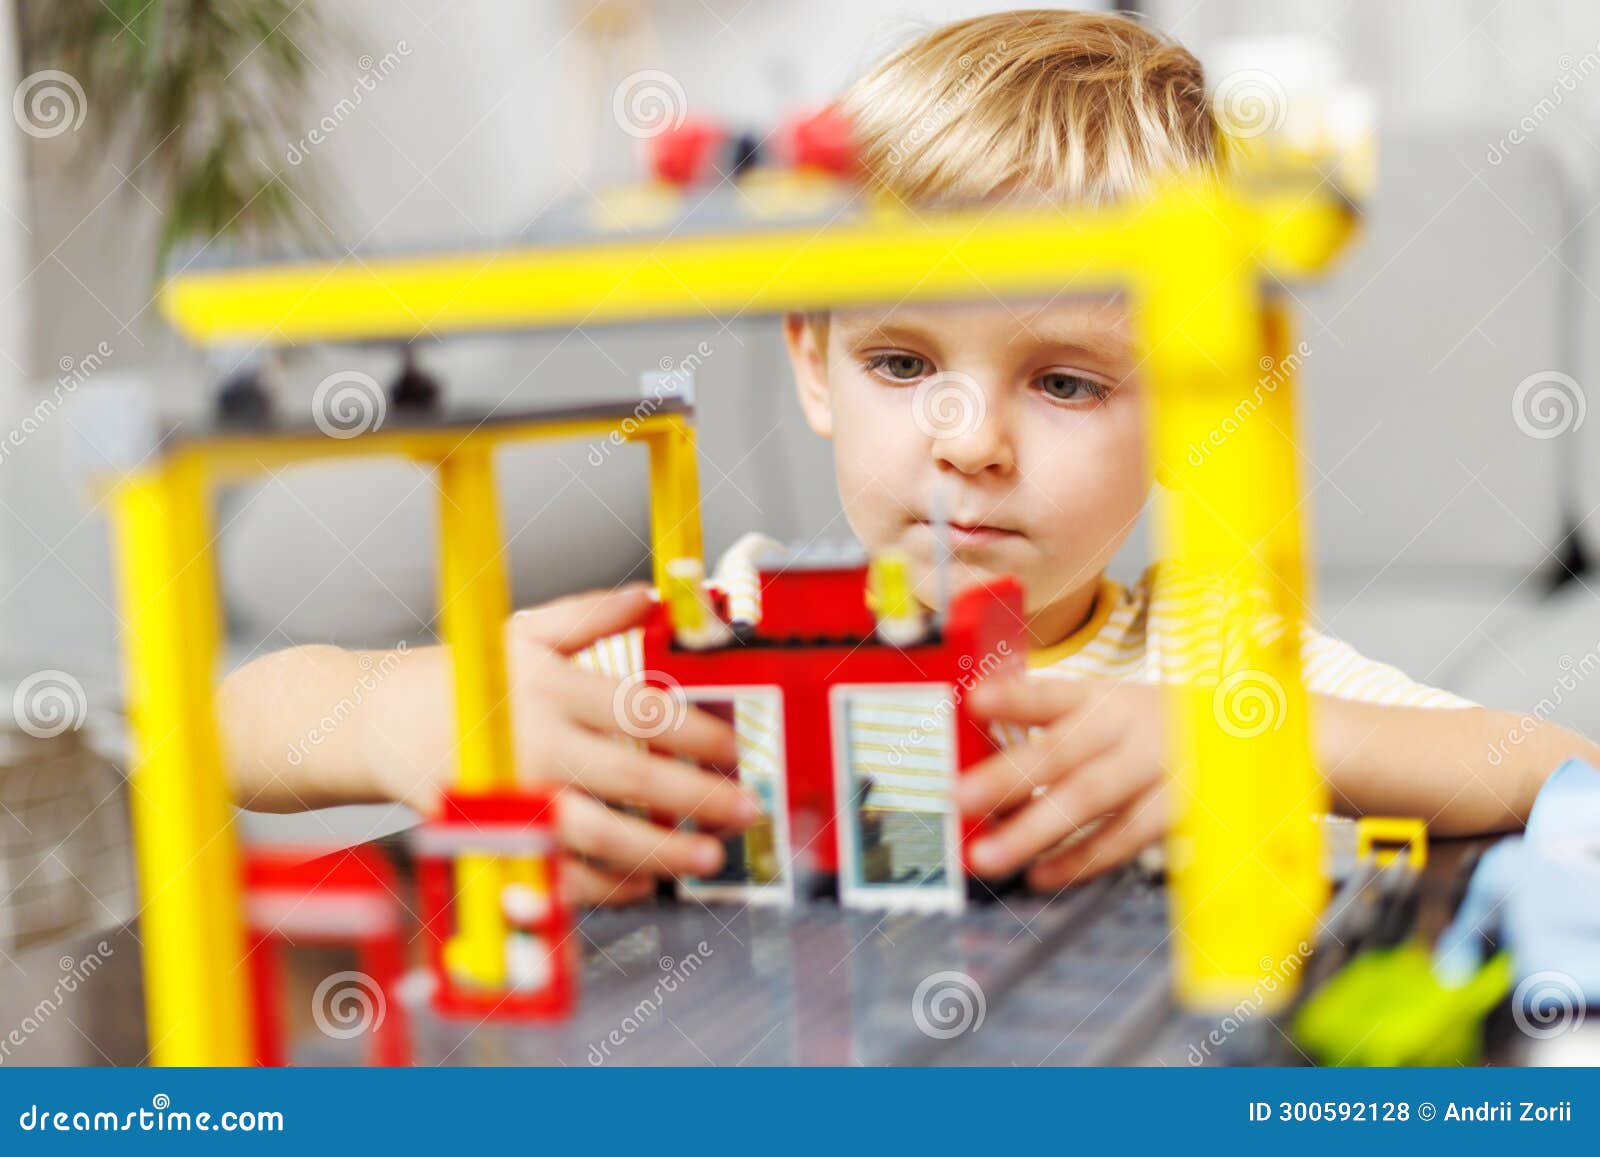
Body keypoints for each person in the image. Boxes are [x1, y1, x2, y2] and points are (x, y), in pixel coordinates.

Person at [220, 9, 1600, 903]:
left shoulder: (1214, 661)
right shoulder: (726, 634)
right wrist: (416, 714)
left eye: (1063, 380)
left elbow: (1562, 775)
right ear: (813, 365)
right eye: (903, 364)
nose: (970, 443)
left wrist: (1273, 741)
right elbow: (223, 729)